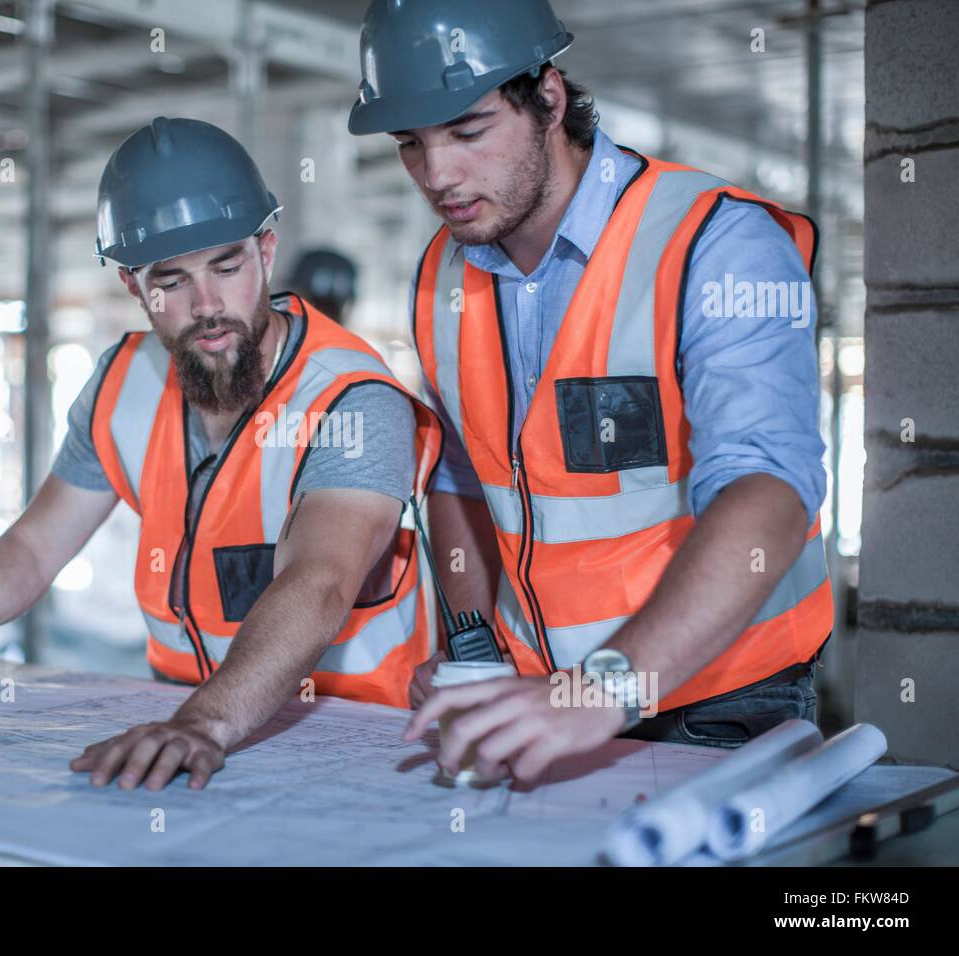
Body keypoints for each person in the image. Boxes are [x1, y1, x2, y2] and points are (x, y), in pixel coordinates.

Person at [0, 117, 443, 793]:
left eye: (227, 266)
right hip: (182, 735)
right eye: (172, 280)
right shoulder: (120, 383)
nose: (207, 305)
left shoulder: (351, 398)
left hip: (354, 741)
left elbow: (320, 580)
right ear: (134, 287)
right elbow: (32, 550)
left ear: (266, 250)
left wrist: (204, 723)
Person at [347, 0, 832, 782]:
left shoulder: (716, 239)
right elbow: (461, 477)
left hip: (719, 705)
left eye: (468, 131)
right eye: (411, 144)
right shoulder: (444, 271)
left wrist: (606, 688)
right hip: (545, 694)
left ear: (548, 97)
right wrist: (471, 648)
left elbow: (767, 487)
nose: (438, 175)